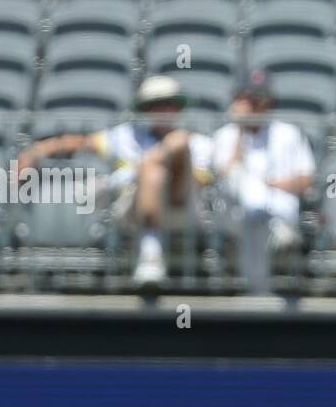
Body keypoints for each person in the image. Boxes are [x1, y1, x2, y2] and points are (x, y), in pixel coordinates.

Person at [16, 75, 207, 294]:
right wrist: (38, 150)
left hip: (182, 206)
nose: (163, 111)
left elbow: (200, 181)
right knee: (152, 173)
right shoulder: (126, 136)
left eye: (169, 105)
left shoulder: (197, 143)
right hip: (133, 210)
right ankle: (150, 255)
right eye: (155, 105)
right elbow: (82, 142)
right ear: (146, 110)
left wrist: (156, 159)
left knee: (174, 147)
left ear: (178, 109)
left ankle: (150, 256)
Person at [208, 69, 315, 294]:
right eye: (247, 98)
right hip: (233, 213)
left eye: (258, 98)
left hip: (276, 210)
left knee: (255, 215)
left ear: (269, 101)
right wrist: (240, 128)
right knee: (243, 185)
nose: (254, 105)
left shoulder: (289, 133)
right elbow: (224, 175)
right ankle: (279, 230)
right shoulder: (225, 135)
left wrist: (272, 185)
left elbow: (306, 180)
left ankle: (257, 290)